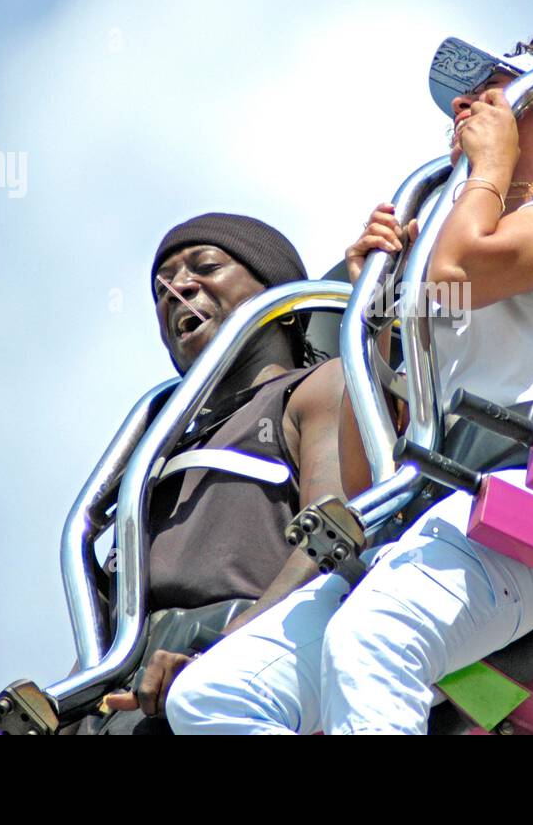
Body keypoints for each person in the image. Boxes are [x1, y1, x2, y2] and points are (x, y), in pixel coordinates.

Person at [165, 30, 533, 734]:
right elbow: (363, 475)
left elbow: (464, 272)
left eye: (489, 99)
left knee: (372, 643)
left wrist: (485, 173)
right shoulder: (438, 263)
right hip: (426, 516)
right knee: (213, 695)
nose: (462, 116)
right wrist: (378, 315)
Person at [72, 213, 348, 733]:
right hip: (134, 695)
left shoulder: (313, 390)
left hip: (249, 667)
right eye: (162, 289)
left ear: (283, 303)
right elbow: (104, 634)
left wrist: (224, 655)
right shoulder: (153, 457)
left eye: (205, 266)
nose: (177, 290)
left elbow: (331, 538)